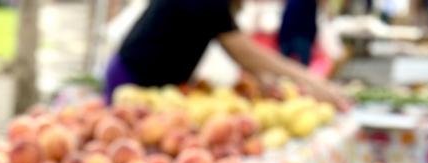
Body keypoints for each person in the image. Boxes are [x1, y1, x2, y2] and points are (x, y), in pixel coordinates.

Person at [105, 0, 349, 109]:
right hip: (131, 79)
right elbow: (242, 51)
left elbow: (246, 54)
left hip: (157, 86)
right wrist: (309, 80)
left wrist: (263, 78)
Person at [279, 0, 319, 66]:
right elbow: (311, 22)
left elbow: (286, 17)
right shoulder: (310, 3)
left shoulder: (292, 2)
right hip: (302, 37)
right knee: (303, 67)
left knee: (281, 64)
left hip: (289, 35)